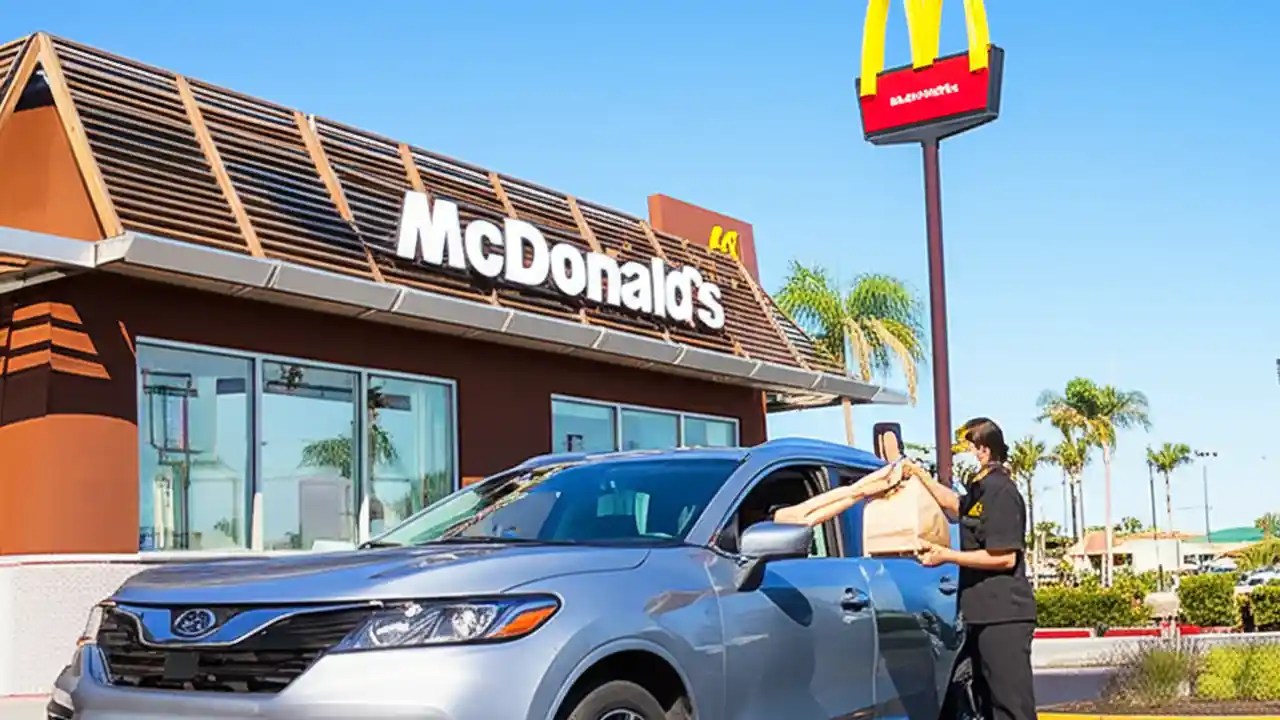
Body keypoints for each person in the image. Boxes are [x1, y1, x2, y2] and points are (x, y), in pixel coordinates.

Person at [915, 417, 1038, 720]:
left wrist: (946, 555)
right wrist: (919, 475)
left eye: (966, 449)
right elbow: (957, 506)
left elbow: (1005, 557)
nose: (960, 459)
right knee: (984, 703)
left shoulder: (1002, 492)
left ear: (983, 450)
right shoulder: (980, 491)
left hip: (1004, 615)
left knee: (1010, 705)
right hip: (980, 613)